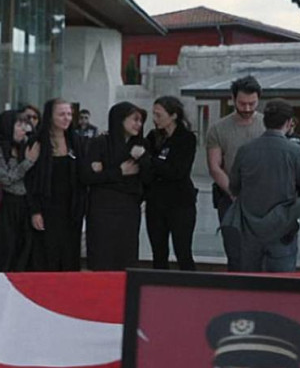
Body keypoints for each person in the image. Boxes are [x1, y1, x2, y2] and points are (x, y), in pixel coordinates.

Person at [223, 100, 300, 273]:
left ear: (265, 121)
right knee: (282, 287)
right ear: (288, 123)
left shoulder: (245, 150)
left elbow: (234, 186)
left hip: (250, 228)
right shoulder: (296, 151)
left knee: (250, 283)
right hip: (282, 227)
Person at [81, 102, 151, 270]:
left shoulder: (141, 146)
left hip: (128, 209)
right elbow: (88, 176)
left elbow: (148, 178)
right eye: (134, 119)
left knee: (125, 256)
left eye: (141, 121)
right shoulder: (100, 143)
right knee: (102, 255)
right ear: (120, 120)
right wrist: (119, 172)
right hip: (102, 208)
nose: (138, 125)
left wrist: (143, 159)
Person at [206, 76, 266, 269]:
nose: (247, 108)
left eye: (252, 104)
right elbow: (215, 167)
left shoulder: (267, 125)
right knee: (235, 253)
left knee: (262, 253)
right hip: (230, 197)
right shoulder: (218, 129)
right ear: (232, 99)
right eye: (242, 103)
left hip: (263, 198)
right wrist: (234, 192)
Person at [0, 110, 39, 272]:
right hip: (1, 206)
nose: (23, 129)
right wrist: (28, 162)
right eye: (18, 125)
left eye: (24, 125)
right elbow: (5, 178)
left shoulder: (23, 147)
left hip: (21, 207)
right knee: (0, 253)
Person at [29, 99, 86, 271]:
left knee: (70, 257)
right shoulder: (38, 142)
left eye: (69, 114)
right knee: (48, 256)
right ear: (50, 116)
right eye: (61, 114)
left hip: (71, 210)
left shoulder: (76, 141)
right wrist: (35, 210)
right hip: (47, 209)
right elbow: (31, 180)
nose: (66, 118)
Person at [144, 96, 198, 271]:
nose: (155, 119)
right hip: (156, 203)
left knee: (183, 251)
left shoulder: (186, 138)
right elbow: (146, 167)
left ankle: (191, 290)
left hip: (180, 203)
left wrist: (151, 161)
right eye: (154, 114)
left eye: (159, 115)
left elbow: (177, 171)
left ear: (173, 115)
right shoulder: (153, 137)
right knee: (158, 252)